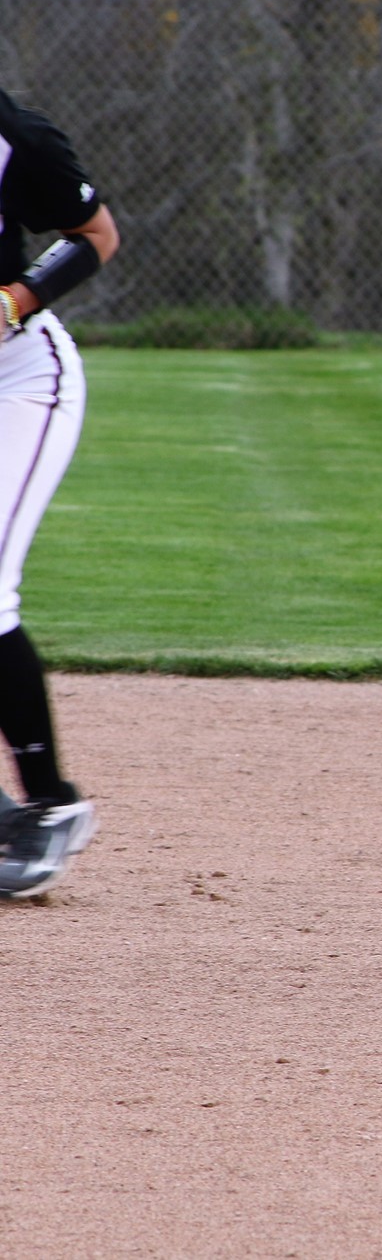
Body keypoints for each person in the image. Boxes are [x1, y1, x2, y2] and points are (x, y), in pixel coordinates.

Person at [0, 87, 118, 897]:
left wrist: (14, 298)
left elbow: (95, 235)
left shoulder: (13, 138)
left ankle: (48, 807)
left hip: (21, 380)